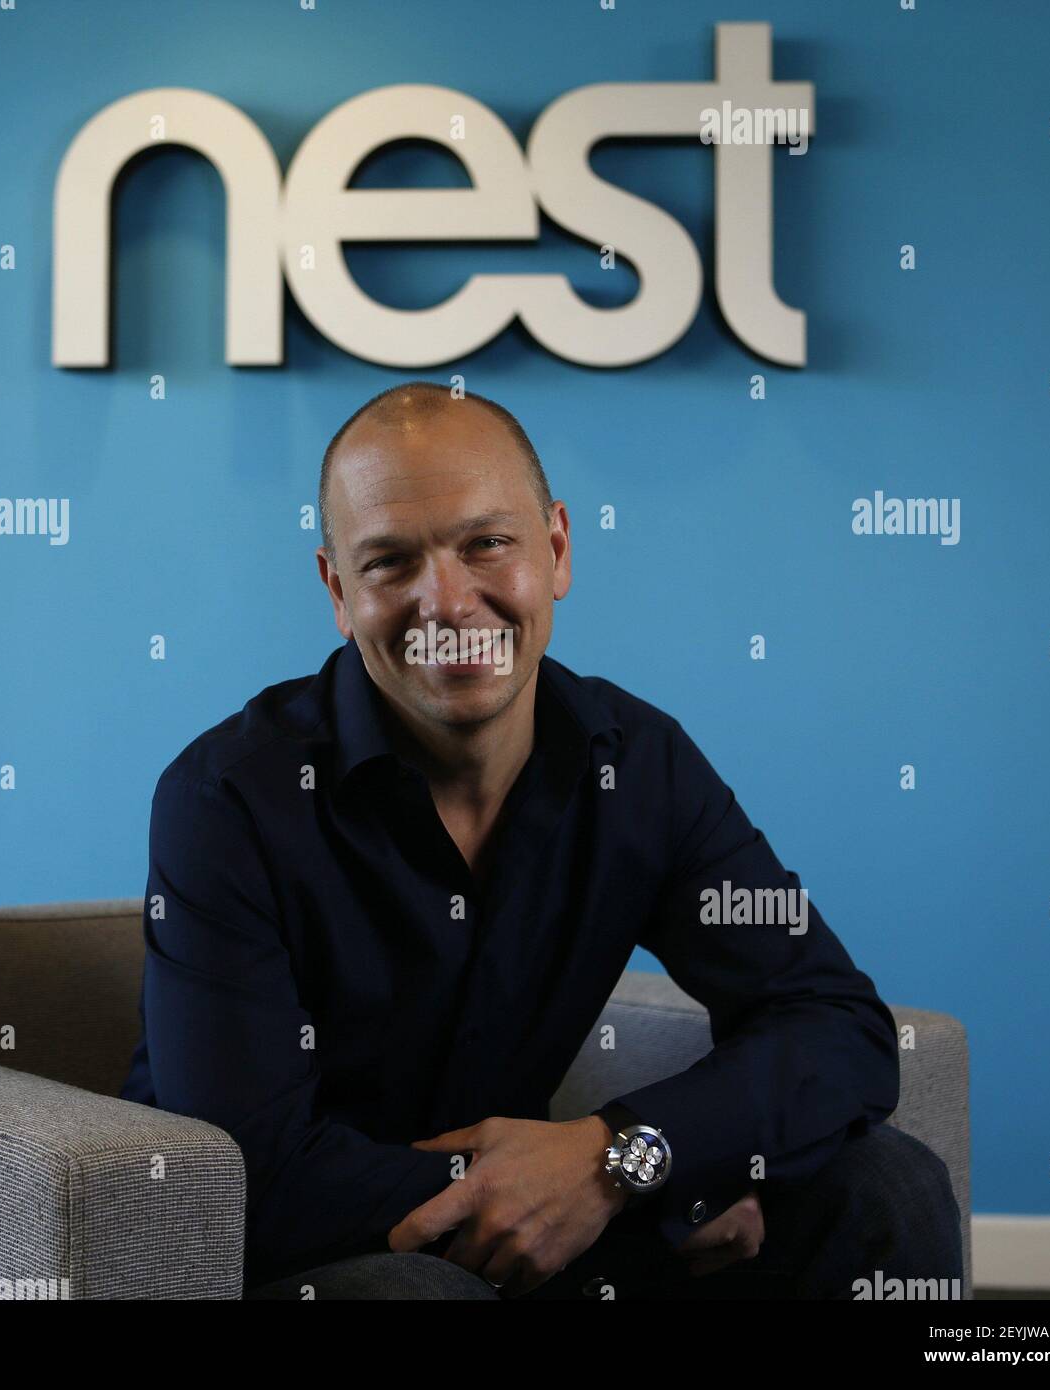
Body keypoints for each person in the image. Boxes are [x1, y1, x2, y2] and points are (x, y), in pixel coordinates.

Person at [119, 382, 963, 1300]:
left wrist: (621, 1160)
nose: (445, 603)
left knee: (887, 1190)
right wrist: (622, 1195)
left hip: (560, 1233)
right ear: (337, 590)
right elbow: (254, 1171)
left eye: (486, 543)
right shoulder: (226, 799)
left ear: (556, 548)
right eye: (391, 563)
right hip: (317, 1253)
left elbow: (836, 1026)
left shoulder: (638, 765)